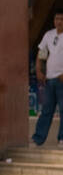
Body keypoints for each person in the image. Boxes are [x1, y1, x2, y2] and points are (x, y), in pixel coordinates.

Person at [32, 10, 63, 146]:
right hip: (50, 79)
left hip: (62, 78)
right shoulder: (49, 35)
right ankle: (38, 138)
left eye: (62, 19)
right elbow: (42, 53)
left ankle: (62, 138)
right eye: (57, 19)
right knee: (46, 110)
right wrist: (39, 70)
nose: (59, 21)